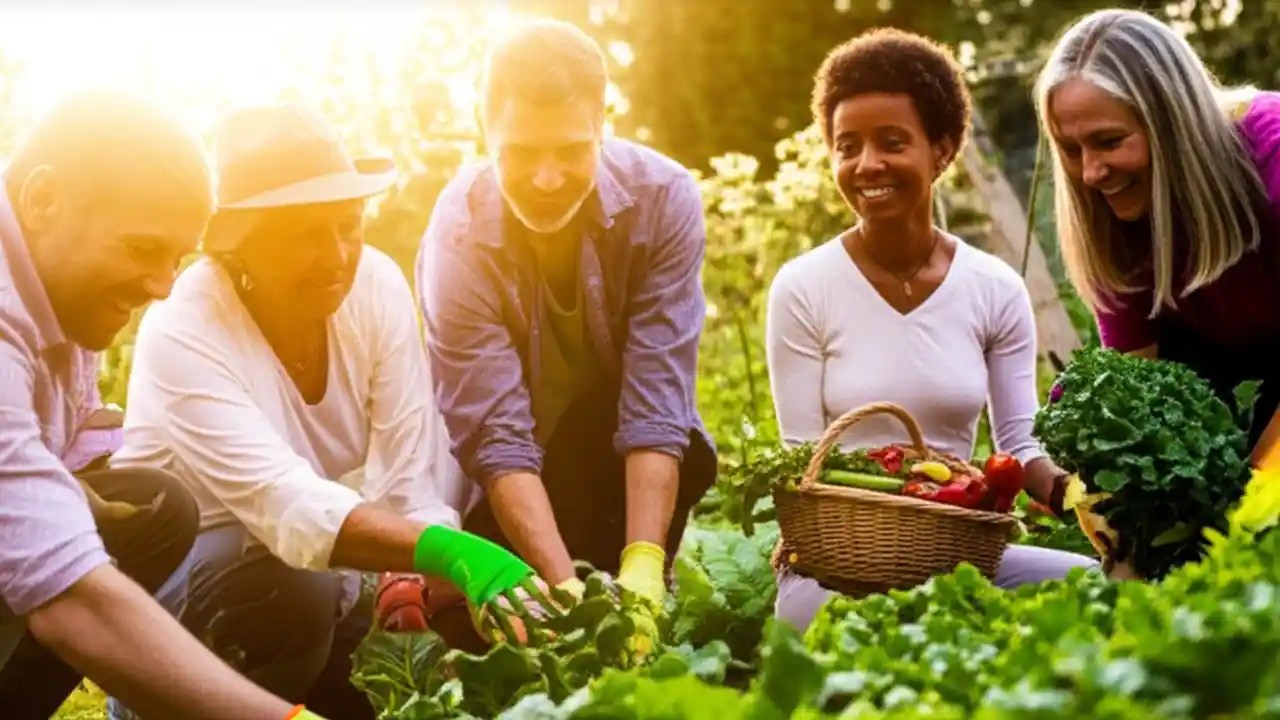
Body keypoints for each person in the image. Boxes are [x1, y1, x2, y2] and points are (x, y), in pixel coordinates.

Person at [105, 103, 559, 719]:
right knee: (293, 590)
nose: (338, 255)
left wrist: (415, 585)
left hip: (307, 576)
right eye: (305, 234)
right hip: (189, 584)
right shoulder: (185, 329)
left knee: (391, 674)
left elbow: (407, 477)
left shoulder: (375, 287)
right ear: (239, 246)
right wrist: (458, 553)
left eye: (349, 225)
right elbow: (284, 503)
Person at [0, 89, 335, 719]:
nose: (162, 287)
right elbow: (70, 597)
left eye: (177, 259)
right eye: (142, 248)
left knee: (151, 510)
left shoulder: (57, 297)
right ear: (43, 201)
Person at [765, 28, 1099, 633]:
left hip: (952, 550)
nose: (867, 164)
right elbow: (802, 458)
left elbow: (1020, 446)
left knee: (1095, 587)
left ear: (941, 150)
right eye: (847, 146)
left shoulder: (993, 287)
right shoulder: (803, 287)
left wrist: (1078, 495)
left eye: (892, 142)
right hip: (836, 561)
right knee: (816, 624)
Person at [417, 17, 718, 648]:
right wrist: (565, 594)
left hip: (610, 453)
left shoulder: (663, 199)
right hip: (508, 475)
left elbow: (657, 399)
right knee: (493, 640)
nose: (548, 179)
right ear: (483, 127)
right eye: (523, 153)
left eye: (572, 151)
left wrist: (643, 564)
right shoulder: (458, 235)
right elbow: (497, 436)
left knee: (638, 597)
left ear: (603, 124)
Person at [1033, 9, 1280, 467]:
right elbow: (1138, 377)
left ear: (1173, 123)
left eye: (1109, 141)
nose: (1090, 173)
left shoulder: (1273, 153)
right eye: (1070, 148)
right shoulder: (1112, 219)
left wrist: (1256, 490)